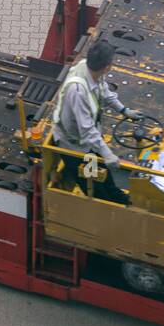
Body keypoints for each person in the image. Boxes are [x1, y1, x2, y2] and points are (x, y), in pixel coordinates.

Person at [51, 39, 143, 205]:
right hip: (75, 147)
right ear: (107, 66)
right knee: (92, 182)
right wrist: (107, 154)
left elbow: (105, 92)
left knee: (104, 176)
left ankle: (120, 199)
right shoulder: (78, 92)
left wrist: (124, 110)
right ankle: (104, 205)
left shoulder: (90, 69)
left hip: (88, 143)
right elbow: (87, 130)